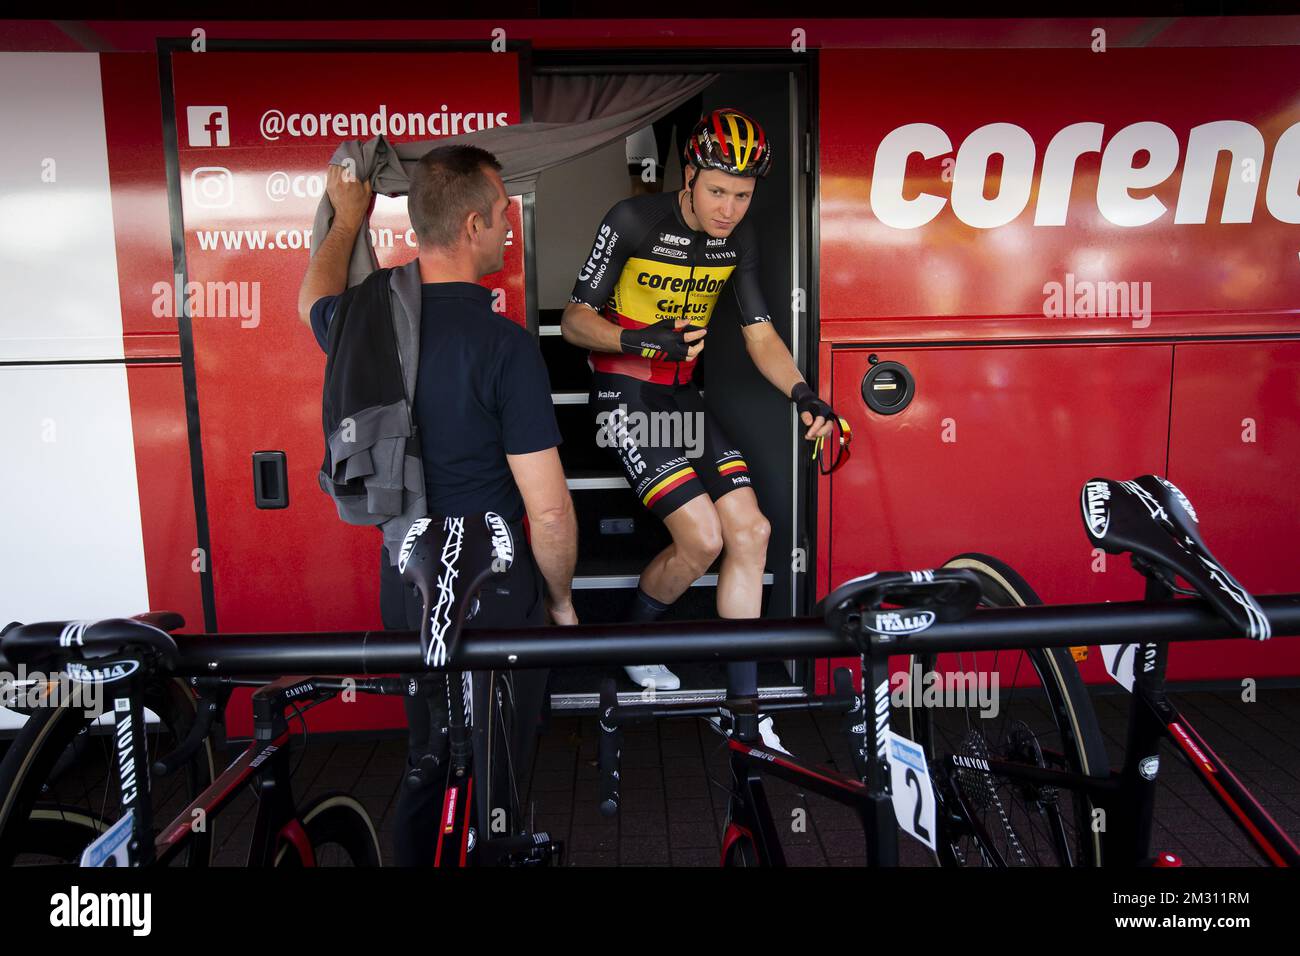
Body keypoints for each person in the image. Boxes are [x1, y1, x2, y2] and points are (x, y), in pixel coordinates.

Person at [298, 145, 579, 865]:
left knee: (429, 755)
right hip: (500, 581)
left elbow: (312, 301)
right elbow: (547, 513)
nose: (511, 226)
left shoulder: (366, 322)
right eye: (505, 214)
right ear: (475, 223)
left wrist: (346, 221)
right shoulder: (507, 346)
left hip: (408, 575)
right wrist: (562, 603)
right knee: (498, 771)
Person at [561, 107, 847, 709]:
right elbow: (573, 322)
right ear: (688, 174)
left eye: (742, 195)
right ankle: (633, 643)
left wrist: (803, 393)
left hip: (683, 397)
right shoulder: (634, 219)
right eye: (717, 191)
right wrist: (638, 338)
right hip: (625, 394)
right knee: (703, 538)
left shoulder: (738, 238)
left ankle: (746, 713)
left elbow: (761, 335)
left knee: (753, 530)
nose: (729, 209)